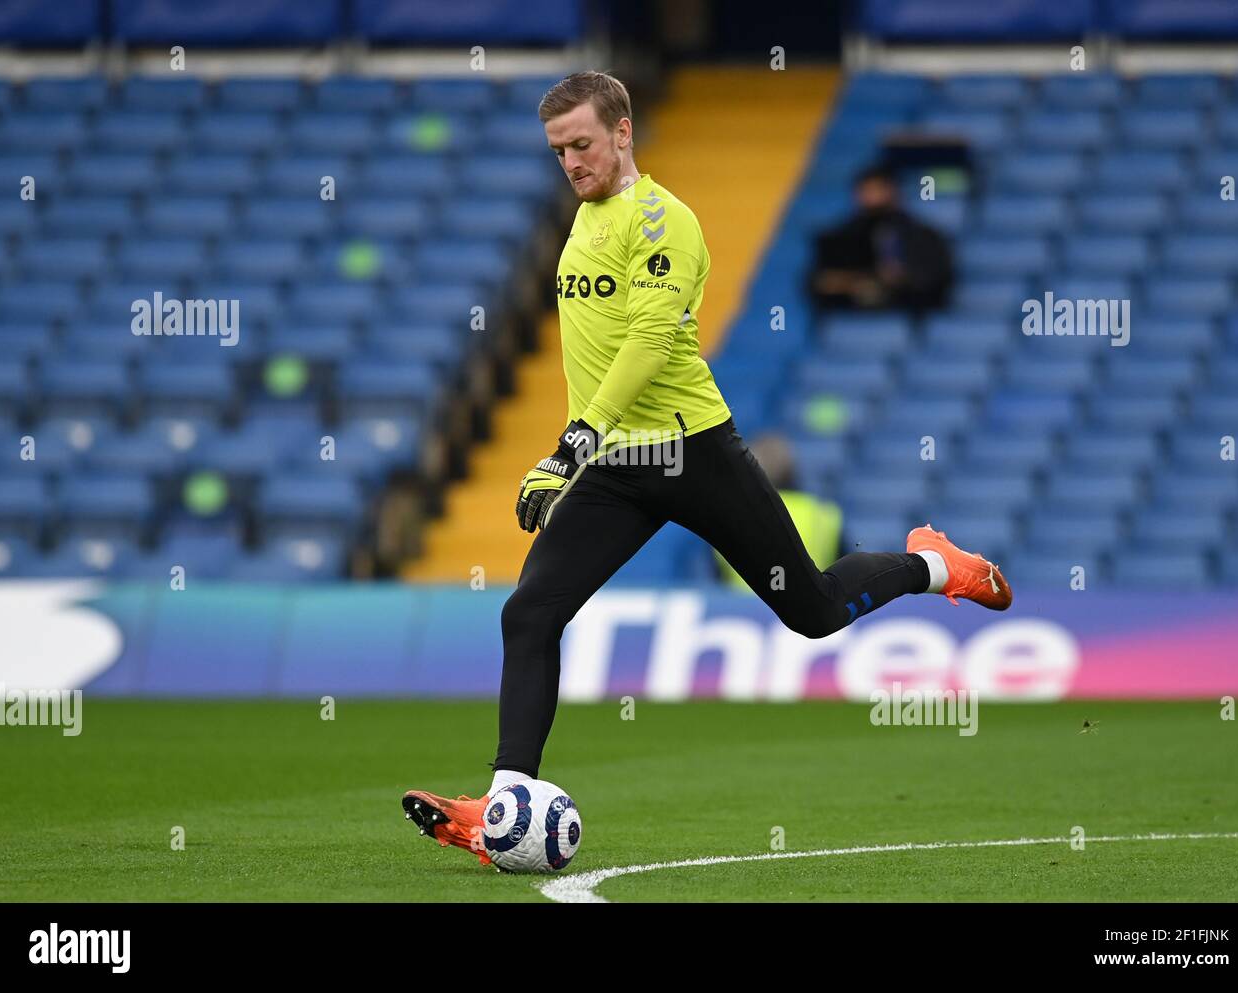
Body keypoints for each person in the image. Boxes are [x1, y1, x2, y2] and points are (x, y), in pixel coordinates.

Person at [401, 72, 1009, 864]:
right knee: (528, 612)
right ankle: (506, 802)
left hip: (691, 452)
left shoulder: (665, 220)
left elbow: (649, 346)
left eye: (582, 144)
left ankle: (937, 565)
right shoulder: (584, 223)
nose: (571, 163)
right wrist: (589, 445)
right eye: (558, 151)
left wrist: (570, 444)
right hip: (620, 463)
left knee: (815, 610)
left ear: (623, 132)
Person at [810, 164, 953, 314]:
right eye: (867, 191)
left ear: (895, 192)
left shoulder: (923, 237)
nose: (874, 198)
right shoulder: (839, 238)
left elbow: (938, 281)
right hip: (851, 316)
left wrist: (900, 280)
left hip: (907, 312)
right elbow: (818, 283)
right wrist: (855, 282)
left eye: (880, 189)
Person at [714, 434, 843, 593]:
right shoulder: (823, 513)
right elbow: (841, 576)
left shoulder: (729, 516)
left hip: (743, 609)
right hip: (805, 609)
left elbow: (718, 580)